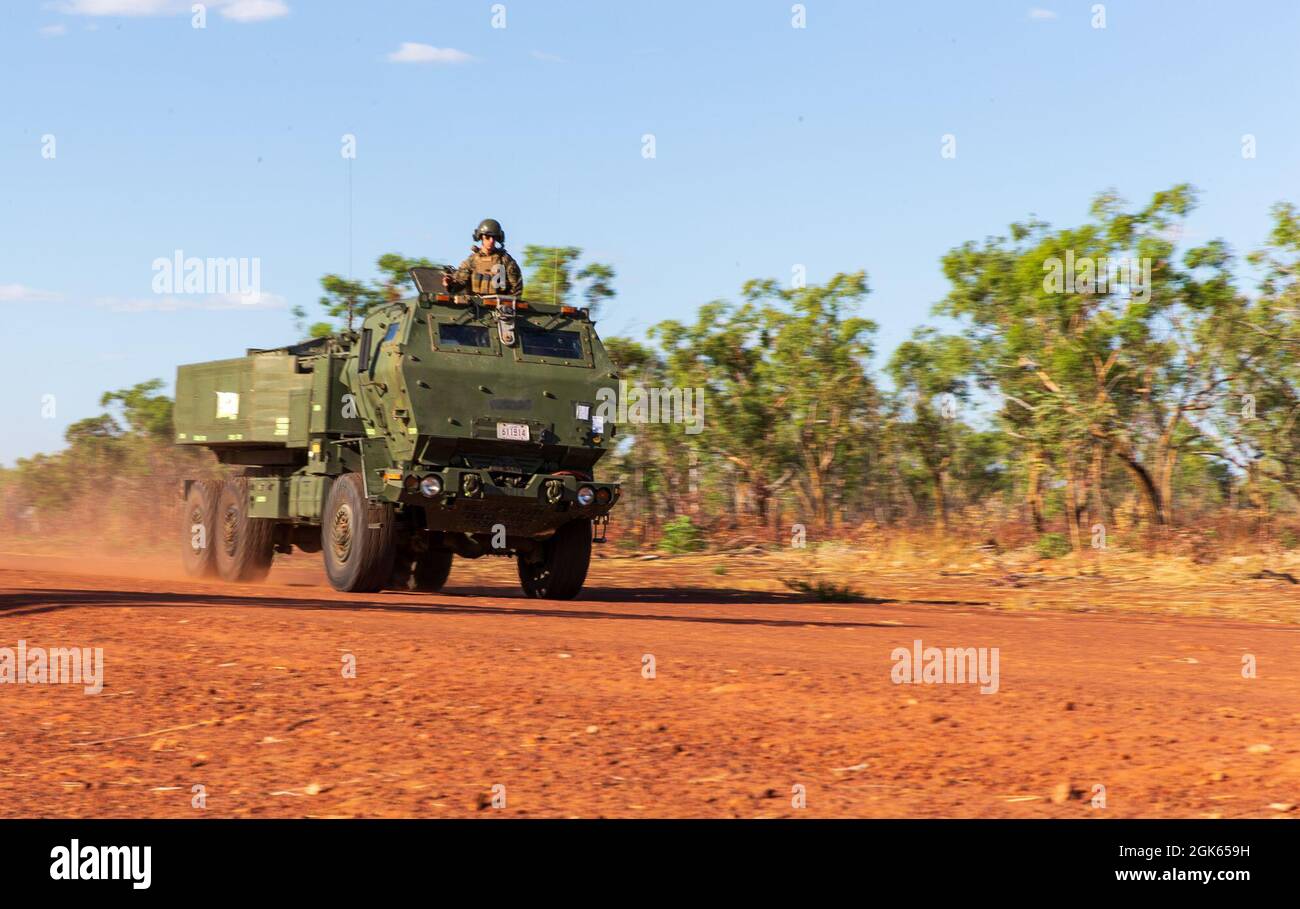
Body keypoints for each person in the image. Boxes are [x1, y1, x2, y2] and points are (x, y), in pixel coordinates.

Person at [443, 218, 524, 296]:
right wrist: (450, 283)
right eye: (488, 237)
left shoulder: (505, 260)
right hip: (476, 307)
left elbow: (517, 288)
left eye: (494, 237)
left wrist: (506, 304)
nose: (491, 240)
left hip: (500, 306)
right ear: (481, 237)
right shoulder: (472, 261)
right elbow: (458, 285)